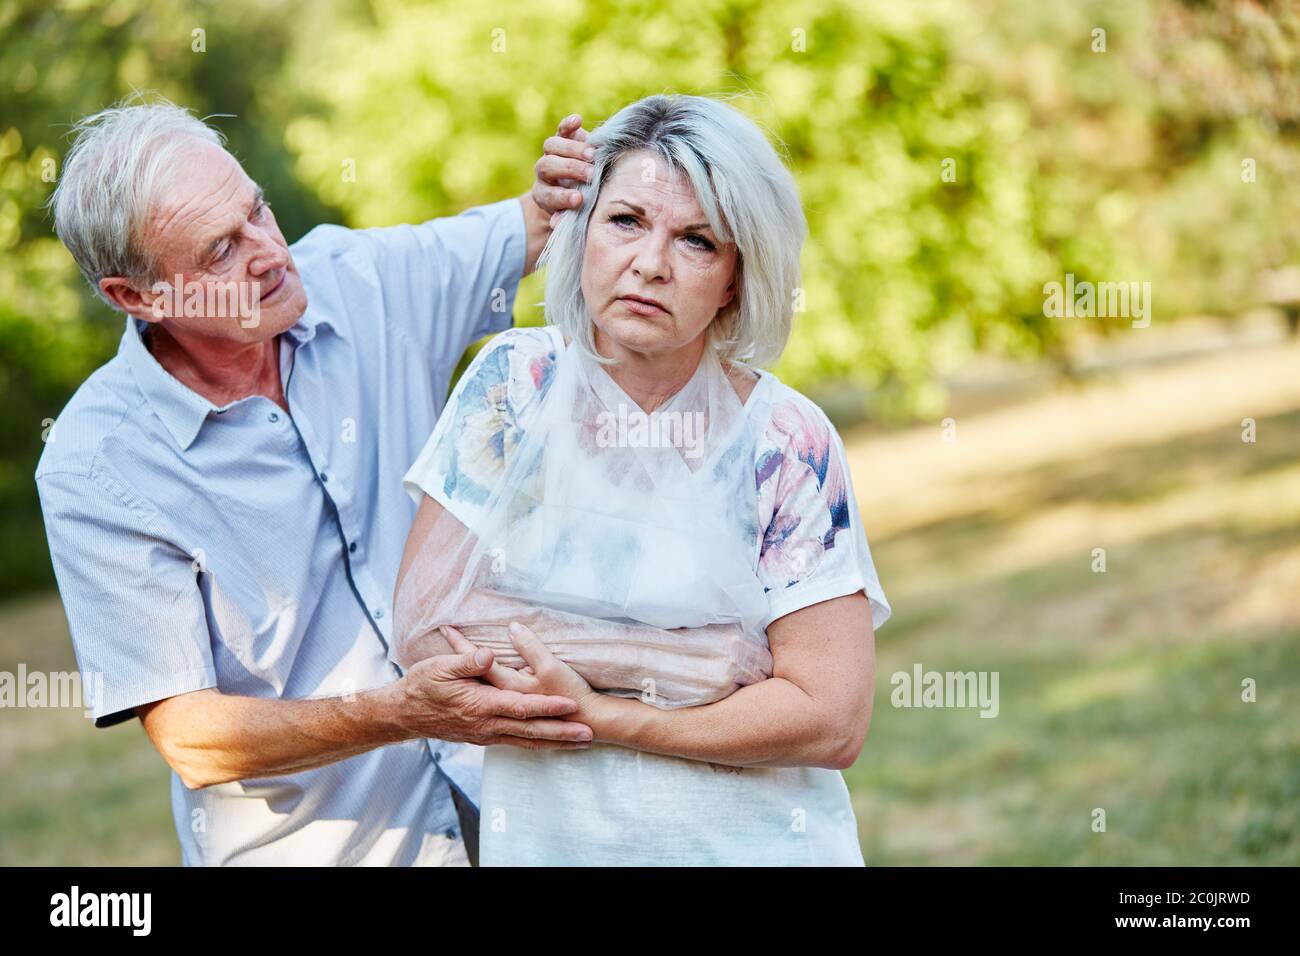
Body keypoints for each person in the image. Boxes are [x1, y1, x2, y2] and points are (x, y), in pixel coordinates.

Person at [35, 94, 595, 866]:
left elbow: (538, 223)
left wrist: (568, 179)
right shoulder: (96, 462)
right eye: (220, 251)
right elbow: (192, 738)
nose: (270, 252)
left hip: (503, 808)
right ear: (137, 298)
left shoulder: (360, 279)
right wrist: (403, 712)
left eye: (257, 212)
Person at [394, 93, 892, 866]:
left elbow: (830, 718)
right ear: (582, 232)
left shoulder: (786, 439)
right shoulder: (514, 385)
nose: (650, 263)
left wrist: (610, 713)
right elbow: (426, 633)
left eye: (696, 240)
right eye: (626, 221)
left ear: (733, 279)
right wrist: (690, 661)